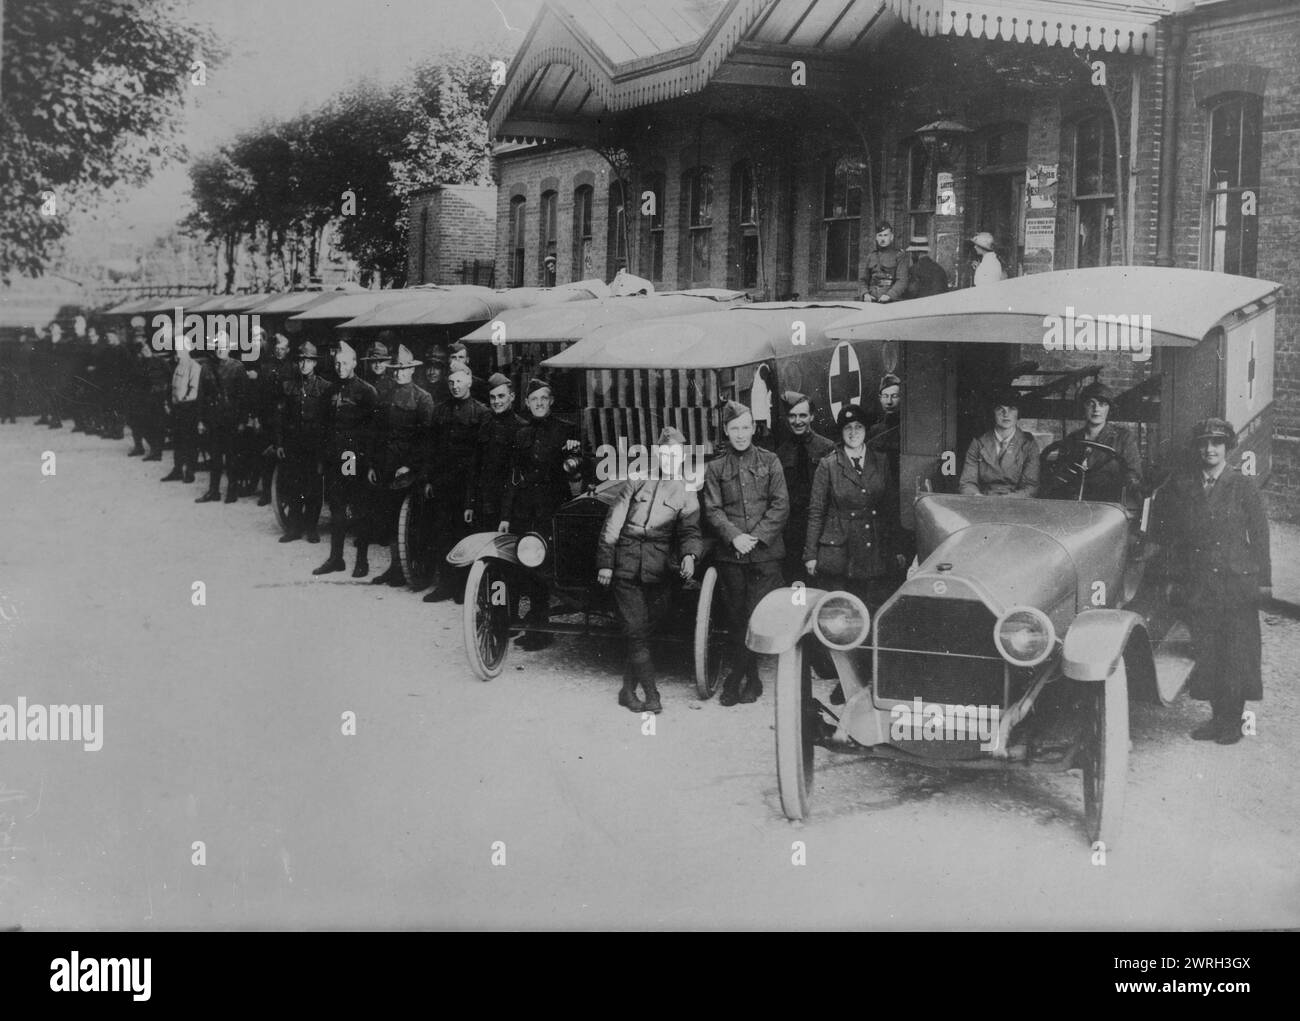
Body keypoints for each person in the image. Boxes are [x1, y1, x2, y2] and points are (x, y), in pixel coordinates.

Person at [1156, 419, 1270, 745]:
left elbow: (1261, 537)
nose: (1210, 449)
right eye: (1204, 443)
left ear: (1227, 447)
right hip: (1200, 583)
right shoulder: (1187, 487)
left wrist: (1265, 582)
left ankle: (1232, 722)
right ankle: (1217, 717)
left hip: (1236, 584)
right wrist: (1174, 580)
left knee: (1236, 652)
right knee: (1209, 651)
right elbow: (1176, 539)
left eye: (1216, 443)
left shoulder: (1242, 485)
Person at [597, 427, 702, 714]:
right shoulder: (637, 479)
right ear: (657, 453)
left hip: (658, 573)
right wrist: (606, 563)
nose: (670, 458)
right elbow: (612, 524)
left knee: (642, 631)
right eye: (665, 453)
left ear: (682, 456)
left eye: (676, 454)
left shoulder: (686, 491)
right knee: (635, 630)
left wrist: (691, 555)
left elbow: (690, 531)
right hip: (626, 567)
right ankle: (652, 694)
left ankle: (627, 690)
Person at [702, 400, 789, 706]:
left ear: (754, 428)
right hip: (732, 555)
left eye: (745, 427)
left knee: (755, 616)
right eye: (734, 428)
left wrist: (758, 537)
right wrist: (734, 537)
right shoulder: (715, 468)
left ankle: (733, 679)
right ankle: (752, 679)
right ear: (726, 431)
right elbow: (712, 509)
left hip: (765, 555)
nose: (740, 434)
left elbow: (781, 505)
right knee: (739, 619)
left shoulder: (771, 461)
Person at [497, 378, 584, 648]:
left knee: (542, 570)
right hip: (524, 509)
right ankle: (522, 623)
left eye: (543, 399)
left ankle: (540, 631)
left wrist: (575, 451)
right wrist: (505, 515)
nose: (538, 404)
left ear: (551, 401)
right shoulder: (521, 433)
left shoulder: (567, 430)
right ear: (526, 403)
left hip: (551, 508)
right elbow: (513, 476)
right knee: (522, 566)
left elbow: (578, 466)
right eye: (534, 400)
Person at [804, 403, 900, 610]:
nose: (853, 432)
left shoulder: (881, 461)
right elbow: (816, 512)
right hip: (840, 551)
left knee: (871, 608)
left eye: (858, 427)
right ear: (841, 432)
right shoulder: (828, 464)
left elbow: (890, 508)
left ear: (866, 430)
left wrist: (896, 548)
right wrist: (810, 554)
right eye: (848, 428)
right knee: (839, 613)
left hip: (873, 547)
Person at [368, 345, 436, 586]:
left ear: (412, 371)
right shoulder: (383, 396)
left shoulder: (422, 398)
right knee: (388, 519)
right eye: (395, 369)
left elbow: (426, 439)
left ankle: (412, 568)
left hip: (408, 471)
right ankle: (395, 567)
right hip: (386, 466)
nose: (399, 374)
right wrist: (372, 465)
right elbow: (376, 434)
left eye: (404, 369)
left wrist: (410, 466)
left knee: (408, 521)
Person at [313, 340, 380, 577]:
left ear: (354, 363)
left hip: (353, 458)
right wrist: (322, 459)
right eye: (337, 363)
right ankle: (336, 558)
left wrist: (369, 463)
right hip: (333, 457)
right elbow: (322, 426)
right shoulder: (329, 391)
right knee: (337, 509)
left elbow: (373, 432)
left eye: (345, 363)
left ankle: (362, 561)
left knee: (358, 509)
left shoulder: (366, 392)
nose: (341, 367)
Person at [775, 390, 834, 584]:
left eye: (802, 415)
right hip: (792, 531)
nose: (797, 421)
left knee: (822, 582)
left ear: (812, 416)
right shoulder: (780, 454)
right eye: (792, 416)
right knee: (796, 583)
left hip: (822, 527)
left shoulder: (827, 448)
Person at [274, 341, 330, 543]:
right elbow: (280, 417)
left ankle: (312, 528)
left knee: (314, 488)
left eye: (308, 361)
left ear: (314, 363)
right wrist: (280, 443)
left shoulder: (325, 388)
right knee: (293, 487)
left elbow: (328, 422)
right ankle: (295, 529)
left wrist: (324, 449)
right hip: (293, 445)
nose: (304, 365)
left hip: (314, 446)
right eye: (301, 361)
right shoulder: (287, 386)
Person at [1054, 381, 1142, 502]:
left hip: (1108, 503)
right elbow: (1061, 474)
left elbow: (1133, 473)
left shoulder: (1123, 438)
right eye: (1091, 403)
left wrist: (1130, 485)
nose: (1096, 409)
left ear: (1109, 408)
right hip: (1075, 502)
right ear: (1083, 407)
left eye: (1102, 404)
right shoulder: (1072, 439)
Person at [465, 372, 526, 532]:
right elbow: (475, 467)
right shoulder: (484, 423)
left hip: (508, 508)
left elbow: (515, 475)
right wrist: (469, 504)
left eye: (501, 396)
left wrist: (506, 516)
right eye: (492, 397)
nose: (497, 401)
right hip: (483, 505)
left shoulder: (521, 428)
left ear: (511, 397)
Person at [194, 332, 248, 504]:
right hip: (213, 419)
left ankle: (232, 491)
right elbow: (201, 394)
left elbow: (244, 396)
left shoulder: (237, 367)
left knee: (232, 457)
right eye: (217, 347)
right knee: (215, 457)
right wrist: (201, 420)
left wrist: (242, 420)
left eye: (223, 346)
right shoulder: (207, 367)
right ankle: (213, 491)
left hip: (231, 418)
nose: (220, 350)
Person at [958, 388, 1040, 497]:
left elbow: (1031, 487)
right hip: (983, 502)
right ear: (992, 413)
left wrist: (1005, 501)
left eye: (1012, 408)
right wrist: (978, 497)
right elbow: (967, 483)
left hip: (1017, 505)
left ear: (1018, 413)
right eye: (999, 409)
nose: (1006, 414)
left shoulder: (1028, 444)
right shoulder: (978, 443)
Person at [161, 333, 201, 484]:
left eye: (181, 347)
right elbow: (173, 387)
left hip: (188, 410)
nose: (178, 350)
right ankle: (177, 469)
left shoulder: (194, 366)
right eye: (177, 347)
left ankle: (190, 471)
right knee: (177, 440)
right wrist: (169, 404)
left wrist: (183, 403)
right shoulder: (178, 366)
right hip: (177, 409)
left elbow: (194, 390)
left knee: (190, 441)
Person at [860, 222, 910, 303]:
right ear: (876, 237)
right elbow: (863, 280)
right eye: (880, 235)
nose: (882, 239)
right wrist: (865, 294)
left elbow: (902, 281)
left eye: (886, 235)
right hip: (871, 300)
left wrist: (889, 295)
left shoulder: (899, 256)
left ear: (891, 237)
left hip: (891, 301)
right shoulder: (871, 256)